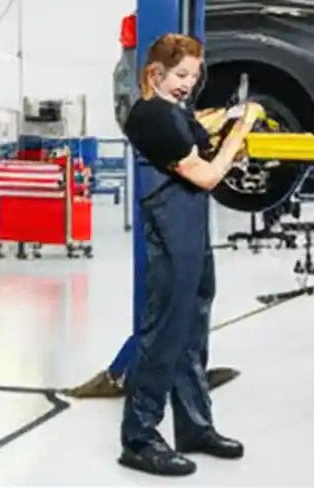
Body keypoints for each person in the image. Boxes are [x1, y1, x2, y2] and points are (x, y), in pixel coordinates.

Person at [117, 33, 261, 477]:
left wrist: (226, 122)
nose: (187, 84)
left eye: (193, 77)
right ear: (154, 74)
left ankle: (196, 425)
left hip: (193, 231)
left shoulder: (175, 112)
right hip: (171, 231)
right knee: (164, 332)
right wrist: (243, 129)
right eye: (181, 75)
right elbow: (207, 175)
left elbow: (201, 132)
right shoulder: (151, 117)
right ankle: (139, 437)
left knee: (194, 328)